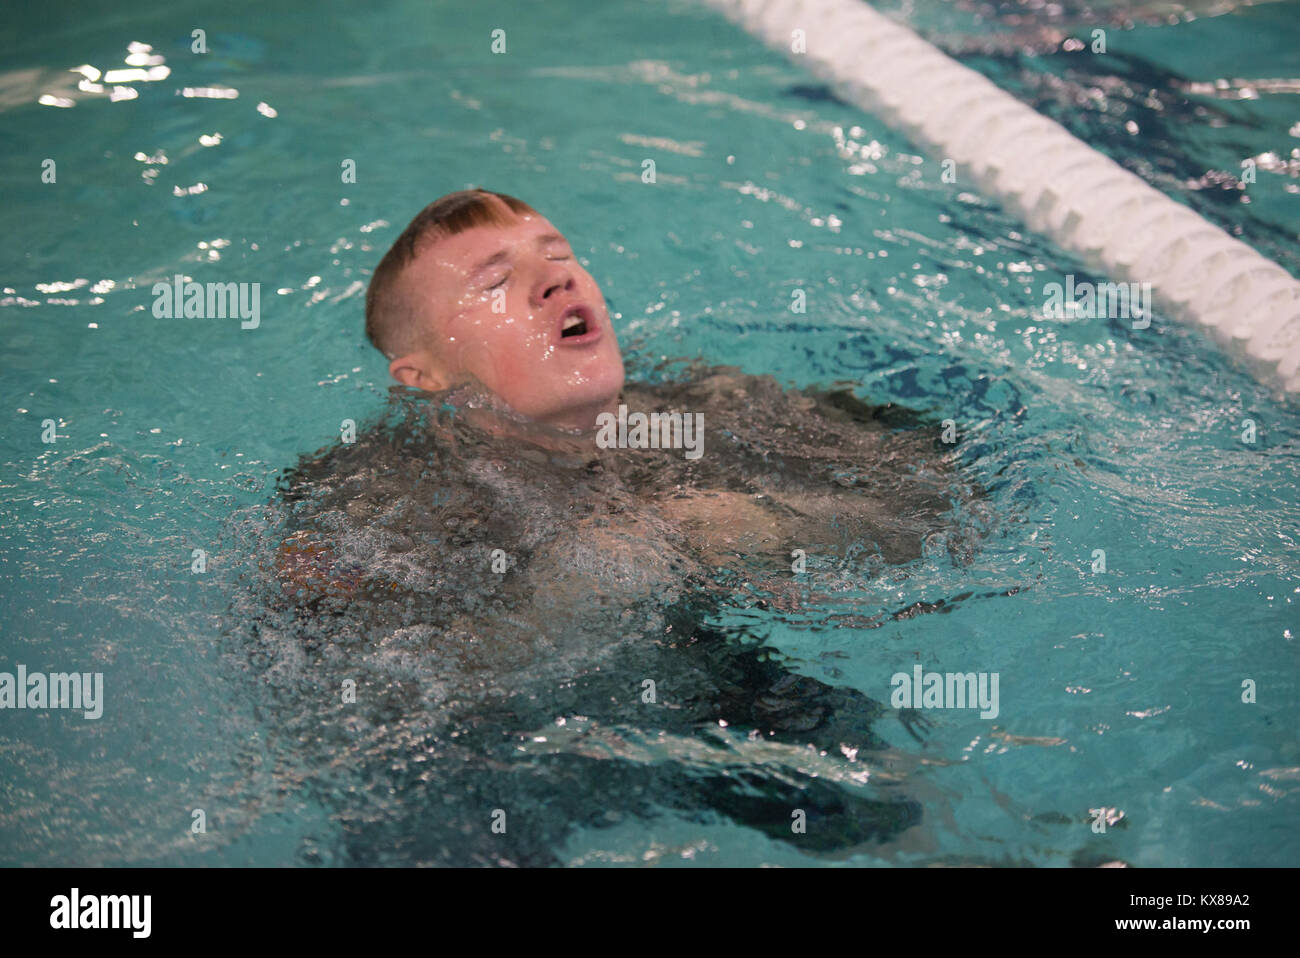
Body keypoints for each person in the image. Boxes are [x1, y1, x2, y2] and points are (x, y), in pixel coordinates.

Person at [260, 188, 976, 864]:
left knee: (875, 793)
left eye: (561, 256)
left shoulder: (716, 407)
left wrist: (771, 531)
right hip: (486, 756)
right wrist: (563, 602)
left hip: (695, 688)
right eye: (493, 281)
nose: (554, 281)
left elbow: (958, 512)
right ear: (423, 375)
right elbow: (342, 707)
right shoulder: (365, 496)